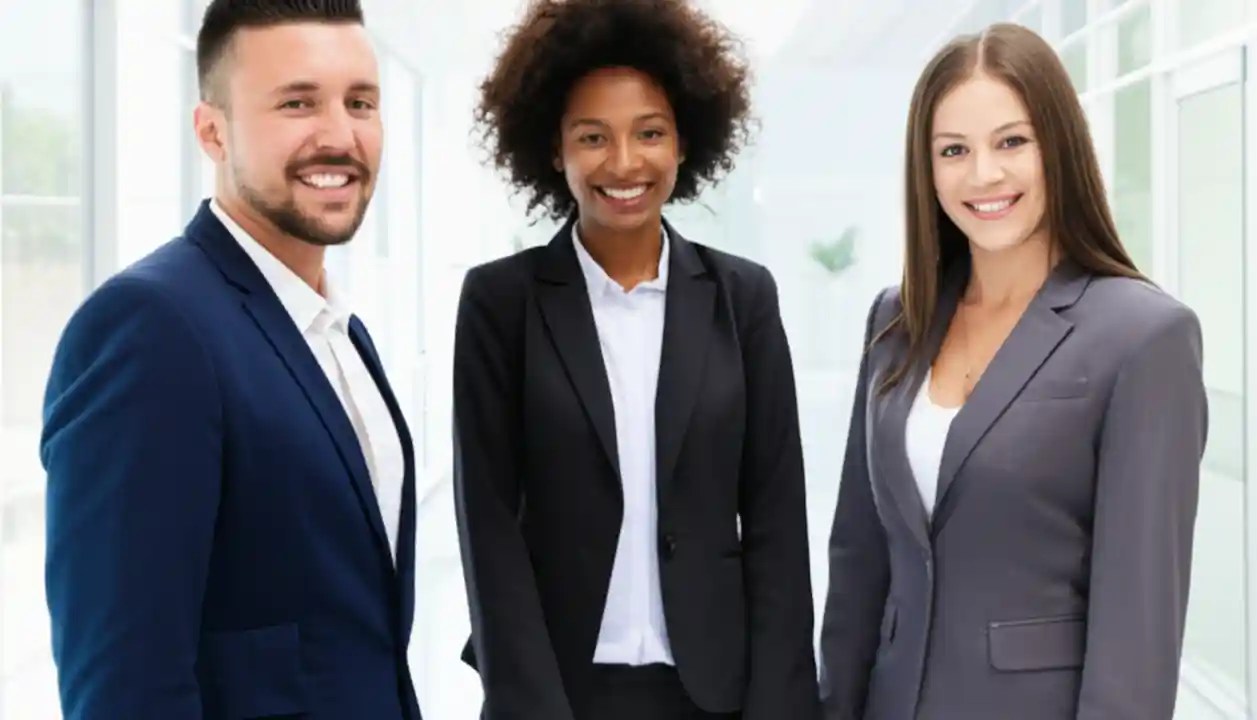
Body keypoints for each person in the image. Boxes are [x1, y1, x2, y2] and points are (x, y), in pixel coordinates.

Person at [39, 2, 420, 718]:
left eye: (360, 102)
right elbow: (125, 688)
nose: (340, 135)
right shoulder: (151, 328)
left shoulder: (338, 330)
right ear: (213, 131)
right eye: (298, 103)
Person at [819, 22, 1206, 720]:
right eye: (954, 151)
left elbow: (1138, 630)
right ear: (926, 168)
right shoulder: (895, 322)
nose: (983, 175)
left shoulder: (1143, 337)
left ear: (1058, 146)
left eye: (1011, 142)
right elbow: (859, 561)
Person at [453, 1, 820, 718]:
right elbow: (487, 529)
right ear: (554, 149)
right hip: (562, 688)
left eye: (649, 133)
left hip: (715, 688)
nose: (624, 163)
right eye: (593, 137)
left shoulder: (743, 298)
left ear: (684, 142)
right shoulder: (501, 303)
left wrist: (781, 702)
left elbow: (777, 518)